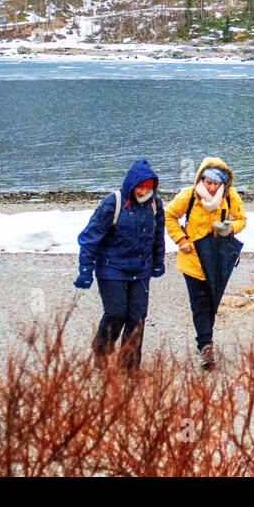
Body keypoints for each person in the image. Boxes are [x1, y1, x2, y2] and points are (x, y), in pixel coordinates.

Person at [74, 158, 165, 368]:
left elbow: (158, 234)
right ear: (132, 185)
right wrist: (85, 269)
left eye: (148, 187)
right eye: (140, 187)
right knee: (116, 313)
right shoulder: (113, 203)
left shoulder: (154, 204)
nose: (144, 192)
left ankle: (129, 366)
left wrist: (158, 260)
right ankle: (102, 350)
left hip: (141, 268)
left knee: (137, 316)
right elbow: (90, 236)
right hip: (111, 266)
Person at [164, 157, 247, 370]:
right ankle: (206, 346)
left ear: (223, 183)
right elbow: (169, 215)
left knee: (213, 301)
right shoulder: (188, 196)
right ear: (201, 178)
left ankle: (205, 338)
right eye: (208, 182)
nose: (211, 187)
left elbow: (241, 219)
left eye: (215, 183)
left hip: (217, 258)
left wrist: (227, 228)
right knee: (199, 302)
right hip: (192, 258)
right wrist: (181, 240)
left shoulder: (230, 195)